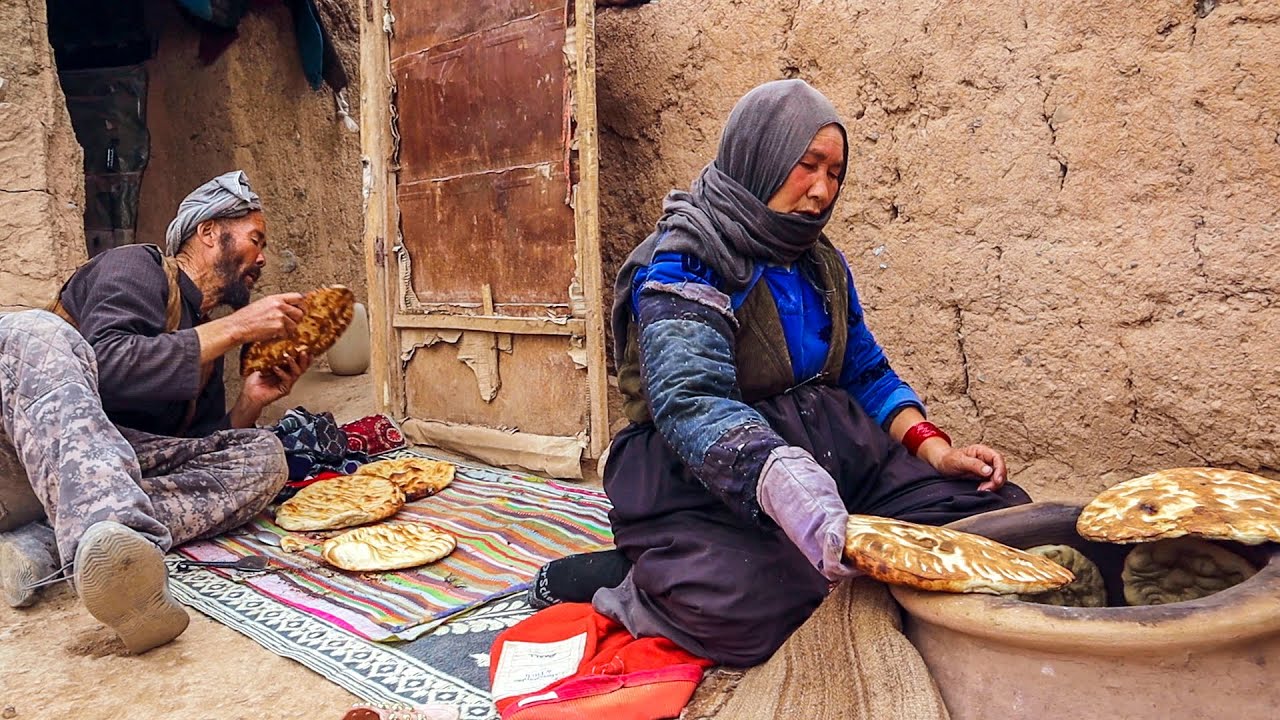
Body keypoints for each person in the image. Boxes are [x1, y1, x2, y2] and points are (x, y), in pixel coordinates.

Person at [528, 80, 1032, 667]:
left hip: (834, 453)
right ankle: (638, 576)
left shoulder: (819, 262)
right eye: (807, 165)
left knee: (995, 517)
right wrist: (792, 490)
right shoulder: (688, 259)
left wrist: (935, 451)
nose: (822, 190)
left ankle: (822, 550)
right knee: (755, 607)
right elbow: (692, 401)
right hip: (709, 474)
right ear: (760, 156)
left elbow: (866, 371)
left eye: (835, 173)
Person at [0, 171, 310, 653]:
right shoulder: (136, 265)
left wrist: (251, 399)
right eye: (256, 239)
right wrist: (236, 328)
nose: (263, 258)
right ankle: (126, 574)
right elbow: (105, 364)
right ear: (209, 232)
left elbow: (195, 451)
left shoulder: (205, 337)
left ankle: (52, 545)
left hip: (82, 483)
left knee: (263, 455)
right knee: (36, 331)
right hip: (17, 445)